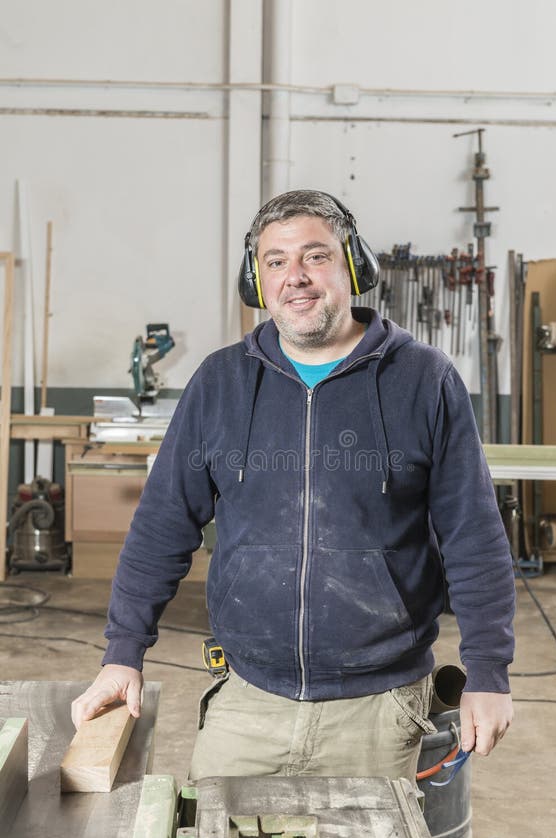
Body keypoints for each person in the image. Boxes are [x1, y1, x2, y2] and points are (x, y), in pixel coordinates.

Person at [71, 190, 514, 782]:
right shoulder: (221, 382)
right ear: (257, 279)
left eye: (315, 256)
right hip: (247, 703)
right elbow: (162, 525)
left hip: (378, 709)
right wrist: (122, 653)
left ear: (354, 266)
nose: (295, 277)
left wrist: (488, 672)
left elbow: (474, 535)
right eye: (275, 261)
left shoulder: (424, 379)